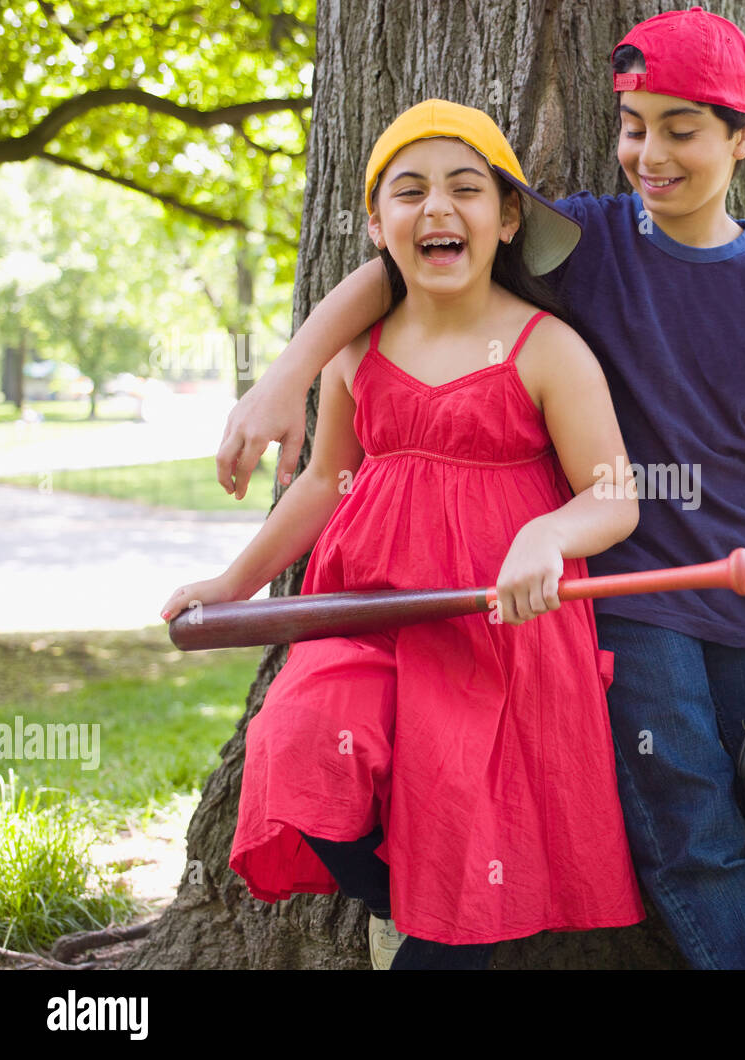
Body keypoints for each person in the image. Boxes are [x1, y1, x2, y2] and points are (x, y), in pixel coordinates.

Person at [214, 10, 745, 970]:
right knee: (692, 841)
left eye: (682, 129)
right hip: (626, 605)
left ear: (744, 139)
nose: (651, 152)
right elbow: (398, 272)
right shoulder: (583, 238)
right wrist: (286, 373)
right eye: (635, 125)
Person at [159, 99, 645, 969]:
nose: (438, 209)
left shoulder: (547, 348)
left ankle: (445, 907)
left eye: (466, 189)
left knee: (462, 826)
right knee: (295, 741)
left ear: (505, 219)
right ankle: (413, 890)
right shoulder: (358, 354)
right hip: (367, 616)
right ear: (379, 226)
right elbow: (321, 483)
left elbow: (615, 497)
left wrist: (547, 534)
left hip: (495, 635)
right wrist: (232, 583)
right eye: (409, 192)